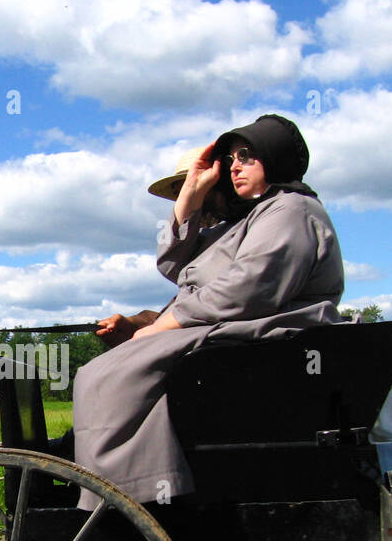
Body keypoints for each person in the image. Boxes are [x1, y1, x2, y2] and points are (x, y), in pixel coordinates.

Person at [71, 114, 345, 509]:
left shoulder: (291, 210)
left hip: (266, 337)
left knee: (107, 374)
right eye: (230, 158)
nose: (234, 166)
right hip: (233, 332)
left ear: (275, 157)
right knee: (110, 367)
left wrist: (164, 325)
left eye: (247, 156)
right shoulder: (246, 220)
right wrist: (190, 198)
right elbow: (173, 265)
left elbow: (251, 290)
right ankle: (121, 481)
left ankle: (124, 498)